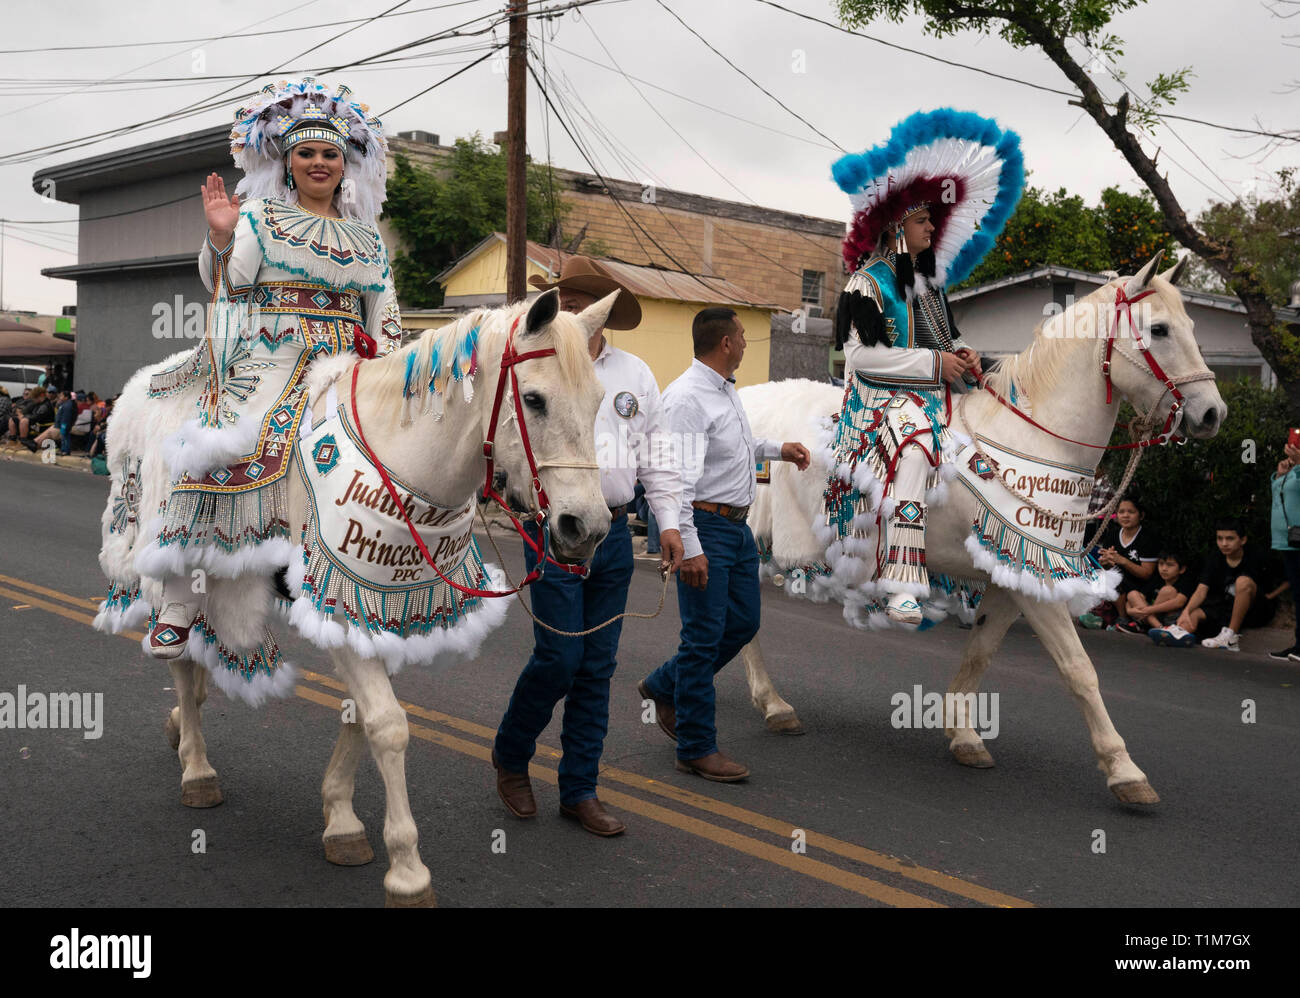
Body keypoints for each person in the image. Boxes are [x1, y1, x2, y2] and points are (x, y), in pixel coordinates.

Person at [129, 78, 401, 658]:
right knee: (221, 447)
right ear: (287, 161)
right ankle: (181, 598)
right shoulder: (259, 219)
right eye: (306, 153)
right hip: (271, 355)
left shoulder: (368, 240)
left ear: (344, 164)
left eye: (330, 153)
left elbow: (385, 312)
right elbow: (228, 285)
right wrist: (222, 236)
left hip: (346, 360)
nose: (319, 162)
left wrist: (394, 371)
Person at [492, 256, 685, 836]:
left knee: (597, 667)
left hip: (614, 533)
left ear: (603, 315)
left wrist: (670, 522)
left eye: (584, 304)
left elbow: (659, 456)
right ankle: (511, 755)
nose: (574, 312)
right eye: (568, 302)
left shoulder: (635, 374)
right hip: (551, 528)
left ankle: (579, 789)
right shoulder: (536, 364)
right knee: (560, 658)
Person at [824, 110, 1022, 626]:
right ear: (895, 227)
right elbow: (861, 357)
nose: (933, 227)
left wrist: (966, 355)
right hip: (877, 400)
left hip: (933, 394)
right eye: (923, 220)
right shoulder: (865, 284)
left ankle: (973, 571)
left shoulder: (929, 286)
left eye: (934, 219)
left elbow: (947, 339)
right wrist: (937, 363)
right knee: (913, 447)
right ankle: (902, 584)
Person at [638, 307, 810, 782]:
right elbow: (677, 481)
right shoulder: (688, 399)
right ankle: (696, 747)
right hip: (705, 528)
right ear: (727, 343)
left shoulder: (723, 391)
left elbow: (736, 446)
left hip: (736, 529)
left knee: (742, 622)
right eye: (742, 335)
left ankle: (661, 684)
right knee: (703, 637)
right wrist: (690, 546)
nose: (745, 343)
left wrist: (779, 448)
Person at [1148, 518, 1278, 650]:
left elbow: (1287, 579)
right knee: (1195, 612)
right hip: (1224, 606)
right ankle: (1180, 634)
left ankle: (1231, 638)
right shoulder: (1215, 558)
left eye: (1230, 539)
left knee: (1243, 581)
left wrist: (1270, 596)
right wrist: (1186, 611)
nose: (1224, 543)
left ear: (1242, 540)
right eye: (1220, 538)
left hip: (1254, 609)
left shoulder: (1257, 555)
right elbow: (1201, 590)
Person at [1086, 497, 1160, 632]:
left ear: (1141, 515)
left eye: (1131, 512)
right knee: (1104, 576)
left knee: (1118, 579)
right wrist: (1105, 563)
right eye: (1121, 512)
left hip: (1141, 585)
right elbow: (1108, 566)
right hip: (1120, 583)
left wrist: (1123, 561)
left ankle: (1126, 620)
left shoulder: (1148, 538)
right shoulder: (1113, 535)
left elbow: (1147, 574)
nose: (1125, 515)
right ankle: (1120, 618)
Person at [1267, 439, 1300, 661]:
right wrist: (1281, 474)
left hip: (1298, 541)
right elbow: (1280, 495)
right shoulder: (1291, 471)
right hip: (1287, 541)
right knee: (1298, 593)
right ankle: (1299, 643)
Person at [1123, 551, 1196, 634]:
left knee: (1168, 590)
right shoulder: (1157, 579)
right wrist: (1129, 610)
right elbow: (1136, 598)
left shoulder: (1186, 581)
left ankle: (1147, 627)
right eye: (1161, 564)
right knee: (1132, 593)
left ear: (1182, 569)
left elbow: (1179, 602)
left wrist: (1147, 610)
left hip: (1172, 619)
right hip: (1152, 617)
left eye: (1170, 565)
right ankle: (1159, 627)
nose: (1164, 568)